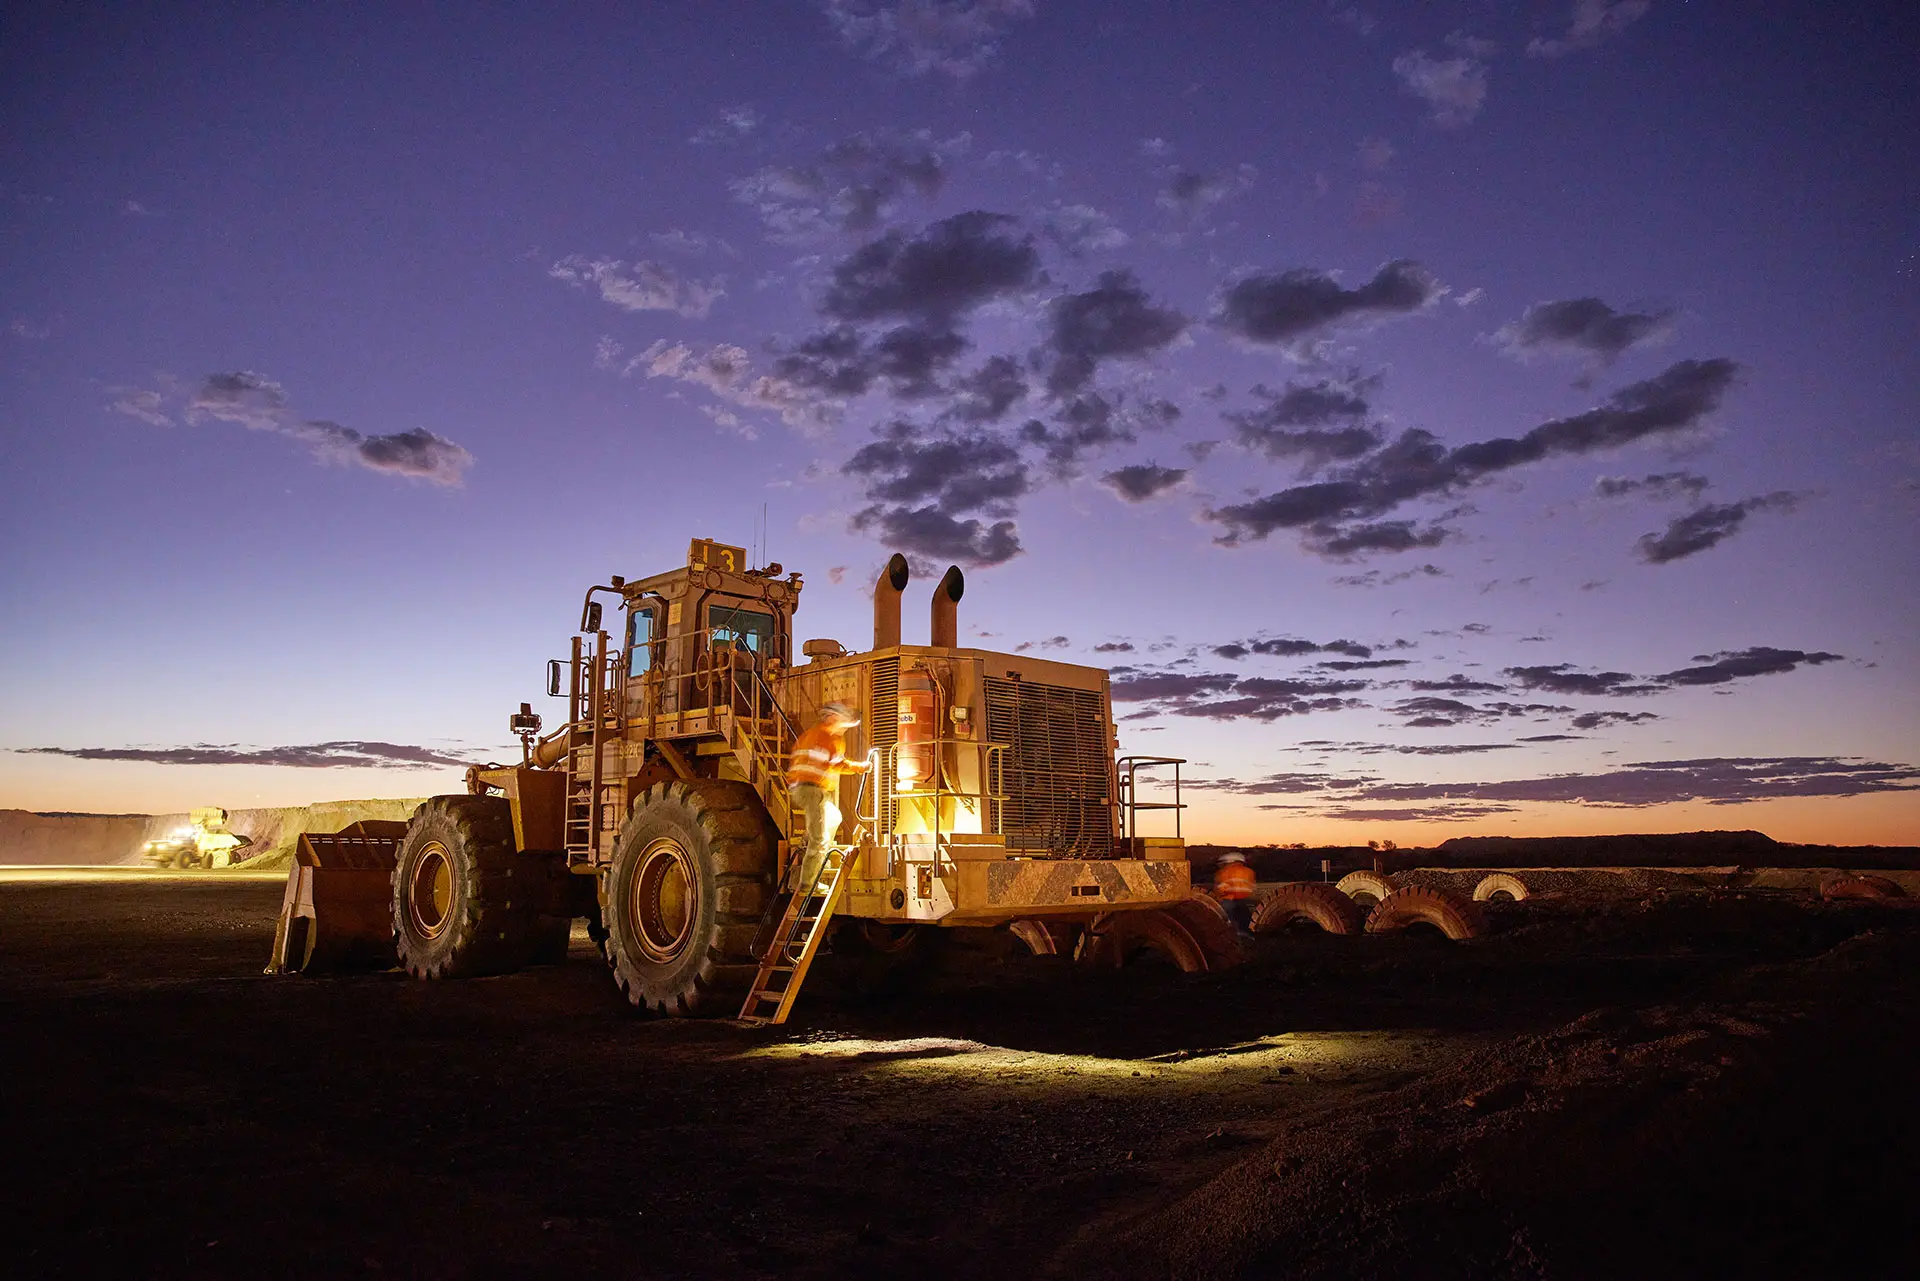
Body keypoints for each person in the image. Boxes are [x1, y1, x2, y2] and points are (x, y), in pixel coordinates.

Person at [786, 702, 872, 895]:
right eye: (842, 722)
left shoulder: (814, 734)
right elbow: (837, 763)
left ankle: (810, 847)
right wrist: (862, 767)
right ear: (833, 719)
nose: (844, 727)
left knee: (833, 817)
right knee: (820, 839)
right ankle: (808, 884)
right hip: (810, 790)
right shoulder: (825, 737)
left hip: (807, 789)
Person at [1214, 849, 1256, 933]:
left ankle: (1231, 933)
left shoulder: (1225, 871)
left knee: (1226, 917)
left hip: (1229, 899)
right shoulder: (1248, 871)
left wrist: (1217, 897)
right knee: (1245, 918)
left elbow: (1220, 888)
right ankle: (1247, 933)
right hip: (1244, 899)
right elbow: (1251, 887)